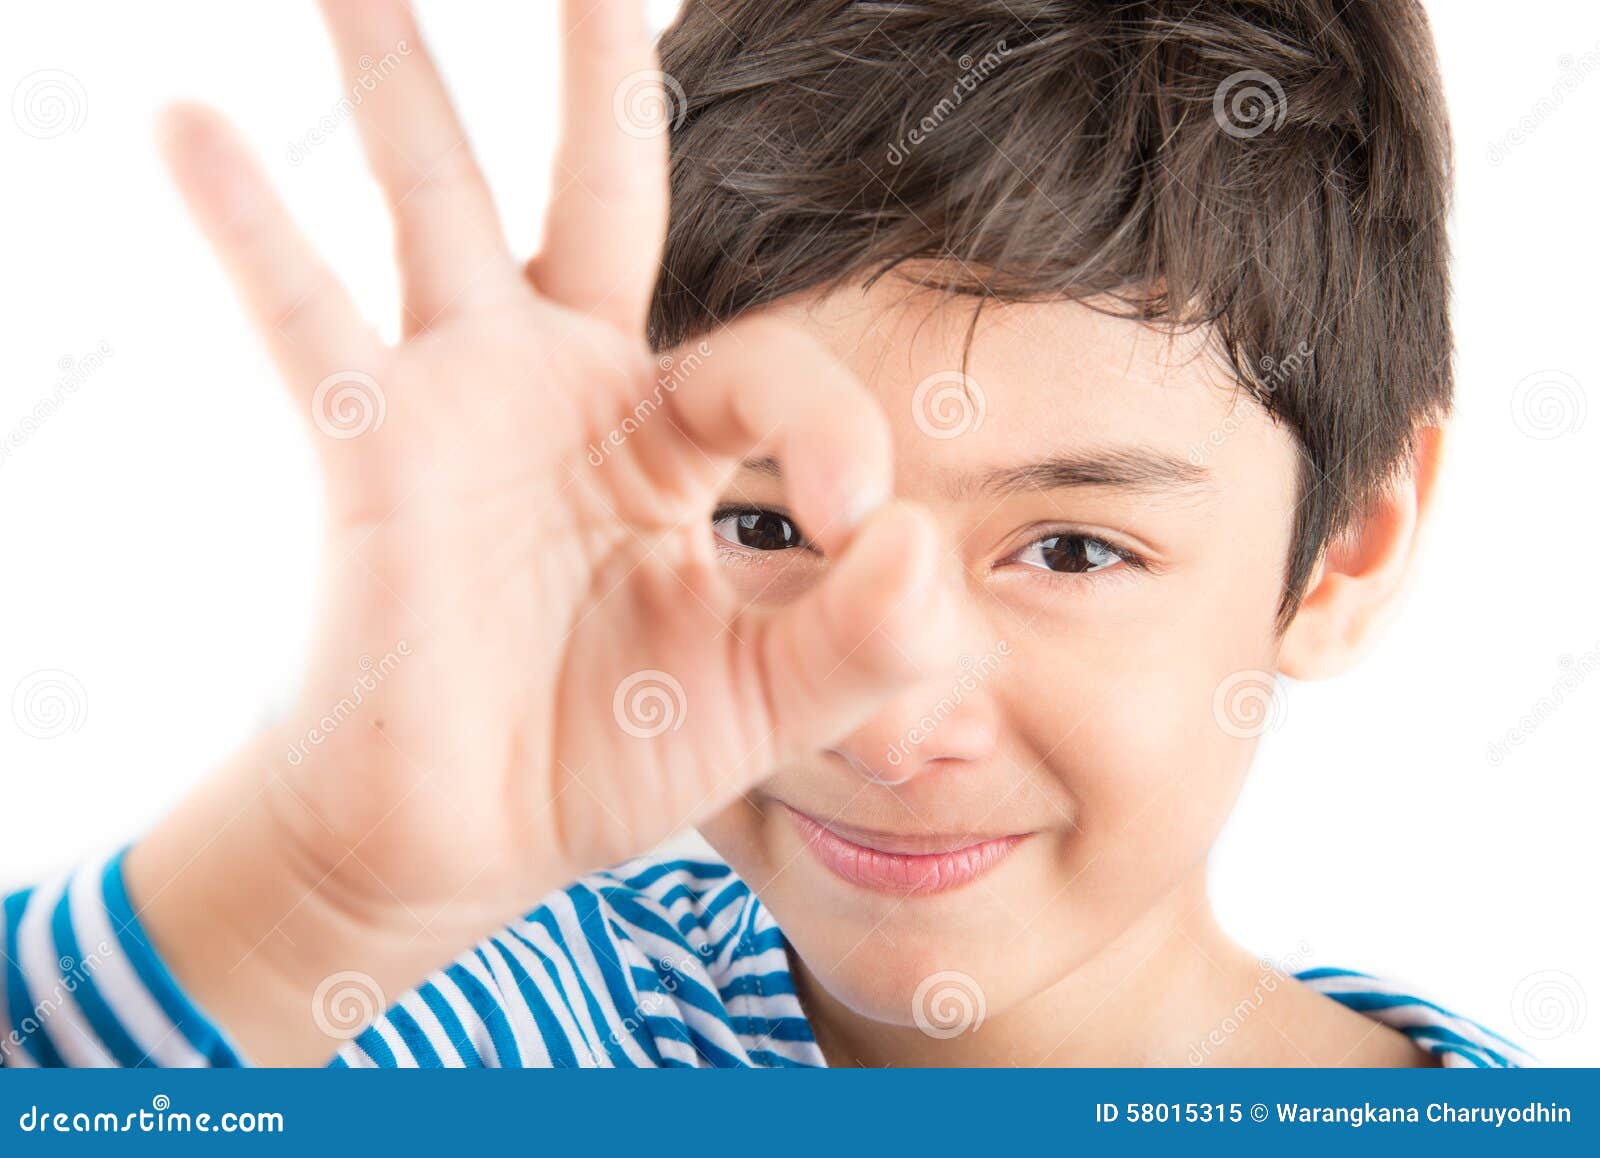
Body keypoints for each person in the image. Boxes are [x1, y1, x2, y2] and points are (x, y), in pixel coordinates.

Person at [1, 0, 1531, 1068]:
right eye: (765, 519)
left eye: (1071, 550)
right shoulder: (470, 1024)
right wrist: (320, 885)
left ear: (1349, 545)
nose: (888, 721)